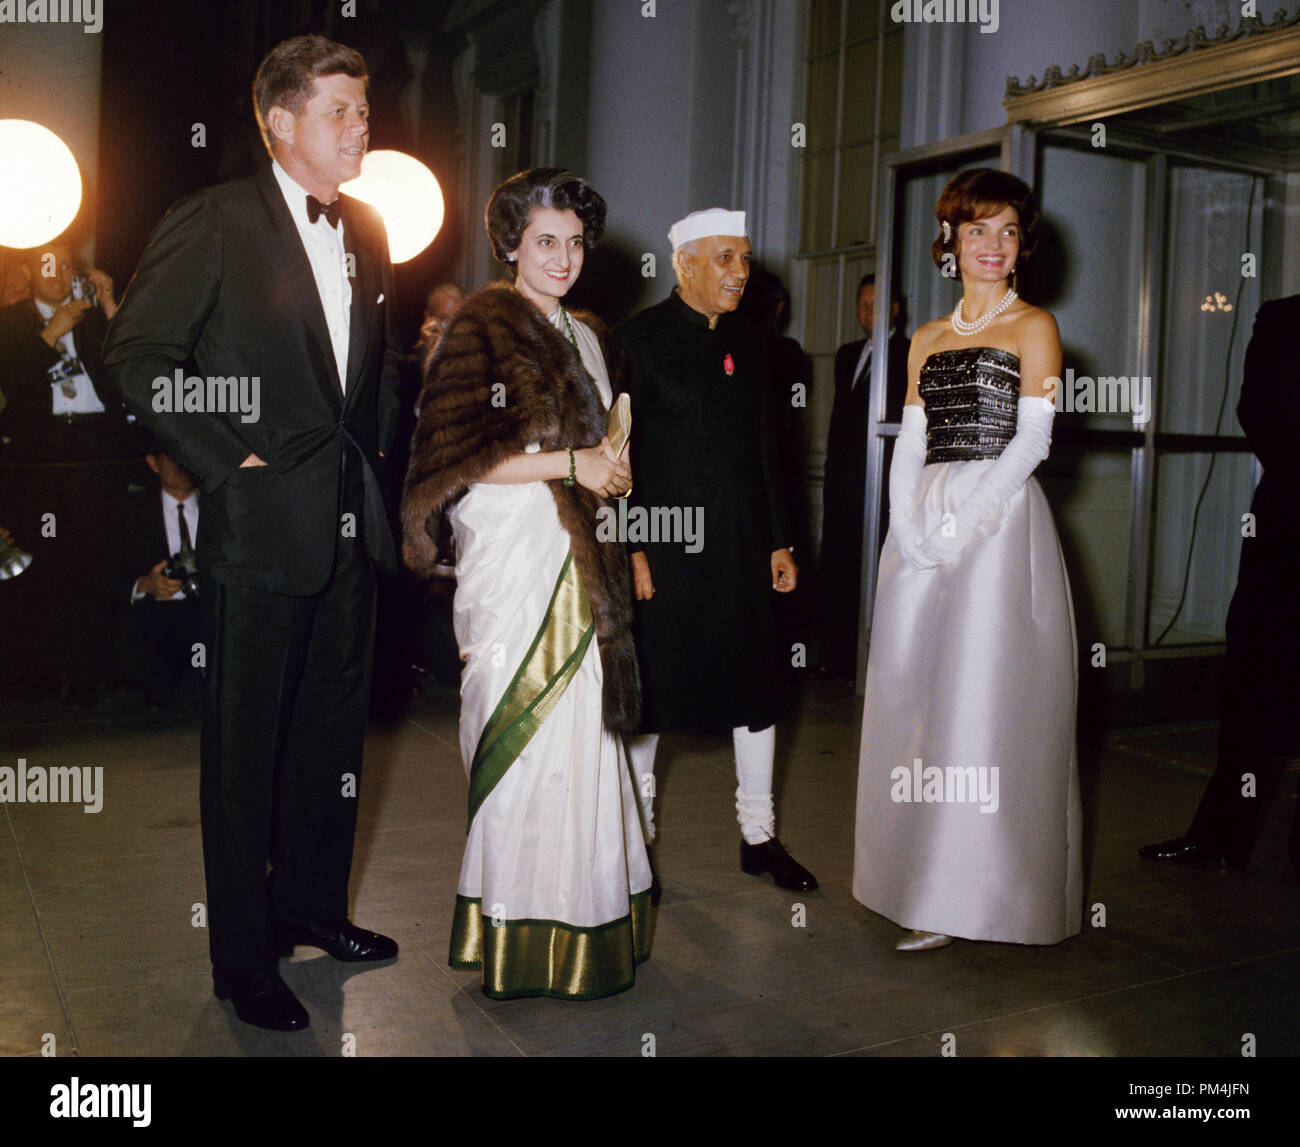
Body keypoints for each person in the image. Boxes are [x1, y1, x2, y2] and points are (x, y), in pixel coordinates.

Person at [103, 34, 401, 1031]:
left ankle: (315, 909)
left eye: (365, 111)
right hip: (260, 532)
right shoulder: (215, 219)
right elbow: (137, 357)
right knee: (245, 757)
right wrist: (231, 458)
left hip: (349, 531)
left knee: (331, 738)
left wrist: (383, 480)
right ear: (279, 120)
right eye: (341, 112)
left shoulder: (368, 231)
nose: (362, 127)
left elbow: (375, 377)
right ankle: (244, 959)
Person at [402, 168, 652, 1000]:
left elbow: (610, 456)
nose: (564, 257)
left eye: (576, 242)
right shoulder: (479, 327)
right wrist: (571, 463)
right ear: (510, 243)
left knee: (586, 738)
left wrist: (622, 524)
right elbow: (456, 458)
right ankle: (516, 928)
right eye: (547, 240)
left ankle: (585, 918)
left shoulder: (587, 336)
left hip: (588, 556)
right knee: (525, 737)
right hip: (516, 556)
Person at [852, 169, 1081, 950]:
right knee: (916, 700)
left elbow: (1035, 442)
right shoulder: (926, 337)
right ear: (949, 241)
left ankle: (976, 892)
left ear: (1022, 247)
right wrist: (909, 526)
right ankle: (919, 877)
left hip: (999, 526)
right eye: (976, 230)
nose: (991, 245)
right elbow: (910, 442)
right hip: (924, 524)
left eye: (1007, 231)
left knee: (981, 708)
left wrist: (964, 528)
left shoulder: (1034, 326)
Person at [612, 208, 817, 893]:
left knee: (755, 687)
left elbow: (769, 450)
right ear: (685, 264)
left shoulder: (757, 343)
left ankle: (758, 835)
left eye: (744, 258)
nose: (740, 272)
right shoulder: (635, 342)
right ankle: (637, 844)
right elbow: (620, 458)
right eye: (725, 258)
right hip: (665, 546)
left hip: (743, 543)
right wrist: (632, 547)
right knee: (654, 696)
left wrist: (781, 539)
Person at [1140, 295, 1300, 881]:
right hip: (1288, 526)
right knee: (1254, 678)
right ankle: (1220, 835)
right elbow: (1258, 410)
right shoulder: (1282, 317)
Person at [0, 241, 136, 705]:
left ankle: (87, 674)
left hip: (95, 452)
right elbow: (12, 391)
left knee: (95, 563)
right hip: (43, 459)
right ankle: (37, 674)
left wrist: (111, 305)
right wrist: (50, 335)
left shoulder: (95, 317)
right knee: (43, 564)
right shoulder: (11, 322)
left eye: (65, 268)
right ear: (28, 271)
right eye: (47, 267)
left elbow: (134, 364)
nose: (57, 276)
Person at [817, 274, 909, 680]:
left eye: (876, 305)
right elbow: (842, 420)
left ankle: (876, 663)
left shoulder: (909, 353)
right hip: (844, 484)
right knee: (839, 568)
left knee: (879, 571)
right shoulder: (847, 354)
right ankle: (836, 657)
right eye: (862, 305)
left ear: (895, 310)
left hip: (884, 483)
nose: (867, 313)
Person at [119, 446, 202, 708]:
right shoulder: (129, 511)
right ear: (153, 463)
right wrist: (144, 584)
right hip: (157, 614)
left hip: (212, 611)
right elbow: (103, 570)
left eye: (189, 455)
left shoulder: (222, 506)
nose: (183, 463)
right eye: (174, 456)